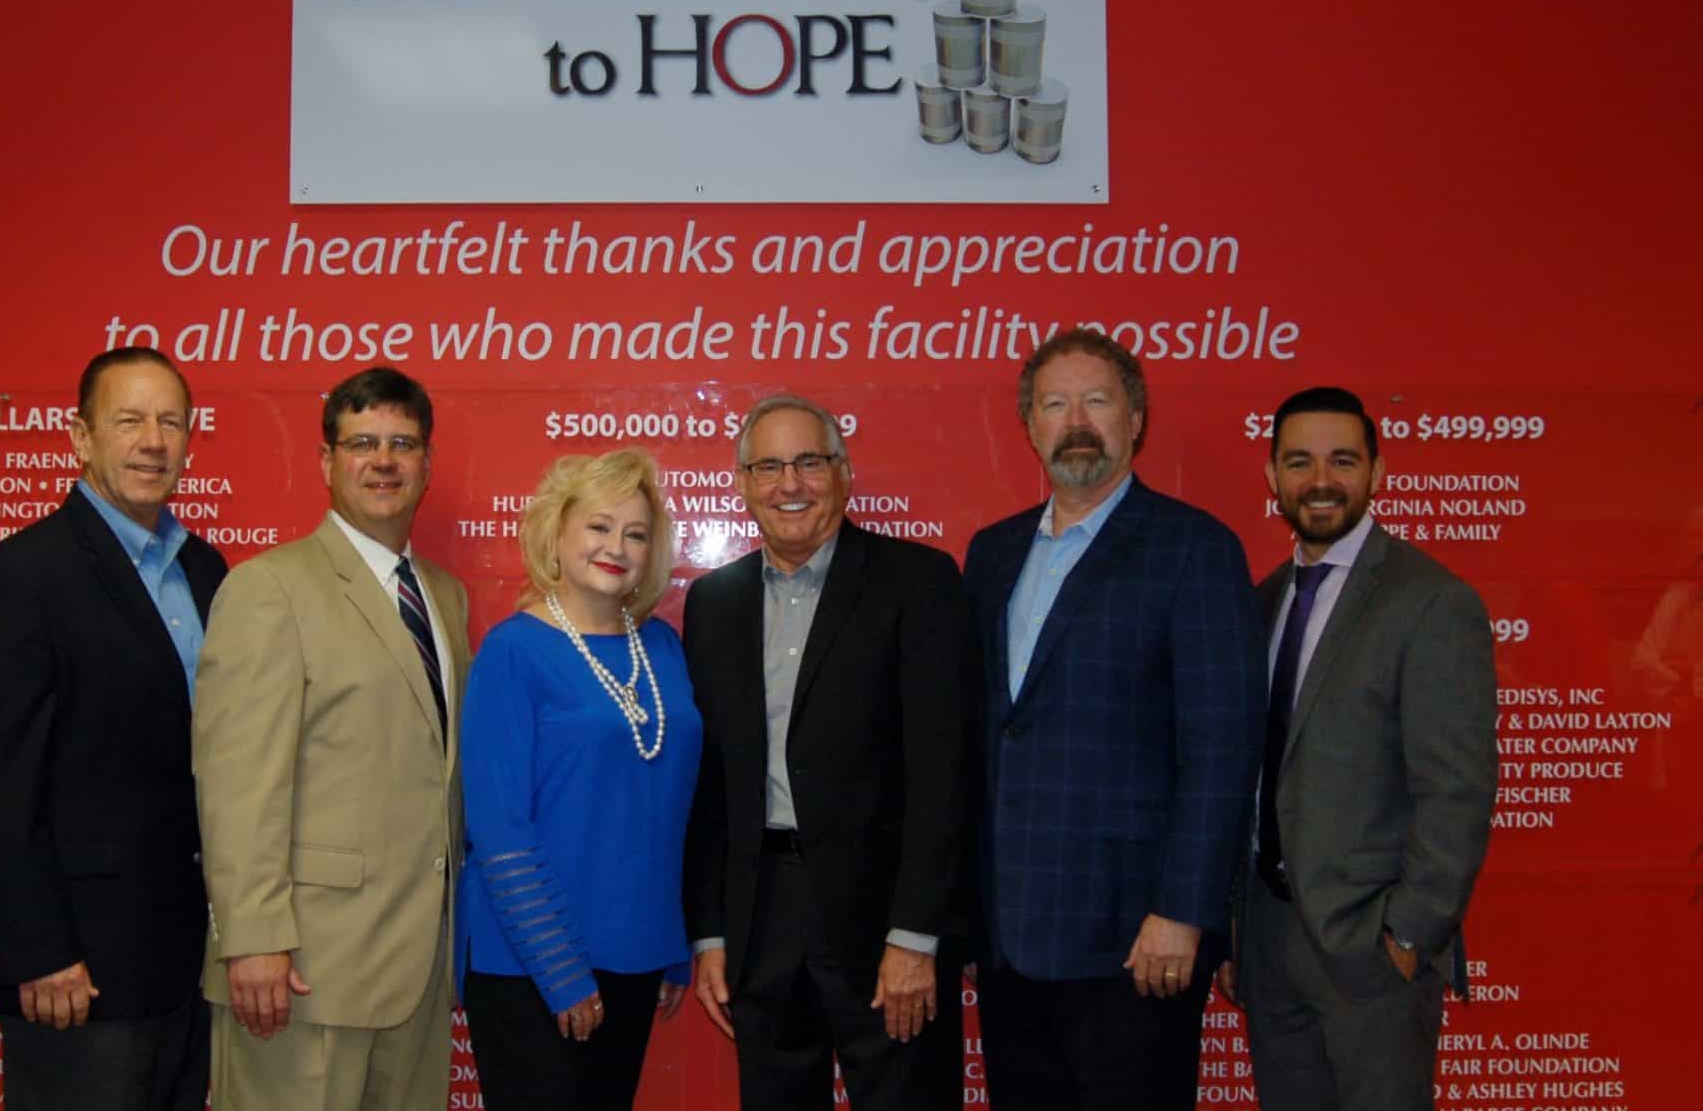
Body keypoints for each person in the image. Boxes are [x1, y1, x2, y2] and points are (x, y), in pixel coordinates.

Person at [961, 328, 1264, 1111]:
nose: (1077, 422)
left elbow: (1223, 747)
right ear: (1029, 426)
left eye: (1097, 400)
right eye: (1055, 404)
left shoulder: (1194, 549)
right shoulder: (991, 555)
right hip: (1010, 936)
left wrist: (1185, 911)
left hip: (1136, 937)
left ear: (1137, 419)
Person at [0, 347, 227, 1111]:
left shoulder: (208, 572)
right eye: (129, 420)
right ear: (80, 436)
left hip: (187, 964)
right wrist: (40, 953)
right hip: (77, 974)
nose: (154, 441)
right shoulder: (21, 576)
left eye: (172, 422)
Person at [192, 366, 469, 1109]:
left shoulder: (444, 595)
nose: (384, 460)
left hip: (419, 970)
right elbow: (237, 781)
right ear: (327, 461)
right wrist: (251, 937)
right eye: (363, 443)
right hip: (303, 971)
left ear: (427, 463)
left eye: (403, 443)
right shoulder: (268, 589)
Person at [682, 394, 968, 1111]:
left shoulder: (919, 582)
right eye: (769, 465)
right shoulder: (714, 603)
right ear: (742, 483)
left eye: (809, 461)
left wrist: (916, 934)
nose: (790, 484)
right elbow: (712, 785)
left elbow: (947, 771)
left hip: (884, 926)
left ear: (843, 473)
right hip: (759, 919)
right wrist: (711, 931)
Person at [1221, 386, 1496, 1111]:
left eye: (1342, 460)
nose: (1320, 481)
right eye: (1299, 461)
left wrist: (1406, 935)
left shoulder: (1431, 601)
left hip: (1372, 953)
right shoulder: (1262, 599)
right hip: (1270, 939)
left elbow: (1458, 790)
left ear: (1377, 472)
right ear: (1272, 478)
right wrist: (1235, 927)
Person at [458, 448, 702, 1110]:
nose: (616, 546)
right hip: (533, 964)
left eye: (636, 533)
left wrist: (672, 943)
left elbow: (672, 810)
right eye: (598, 526)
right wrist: (560, 970)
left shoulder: (662, 648)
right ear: (555, 535)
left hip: (638, 952)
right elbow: (499, 830)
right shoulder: (513, 650)